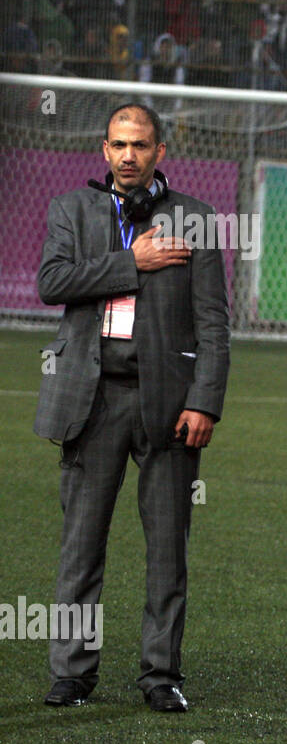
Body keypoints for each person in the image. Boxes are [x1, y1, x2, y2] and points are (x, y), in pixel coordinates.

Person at [36, 102, 230, 713]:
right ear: (104, 149)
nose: (128, 155)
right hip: (90, 400)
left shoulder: (196, 221)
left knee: (168, 550)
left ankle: (160, 675)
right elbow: (51, 283)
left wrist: (205, 402)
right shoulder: (71, 210)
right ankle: (71, 674)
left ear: (159, 151)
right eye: (118, 144)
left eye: (140, 145)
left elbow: (214, 324)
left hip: (168, 404)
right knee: (81, 547)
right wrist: (132, 263)